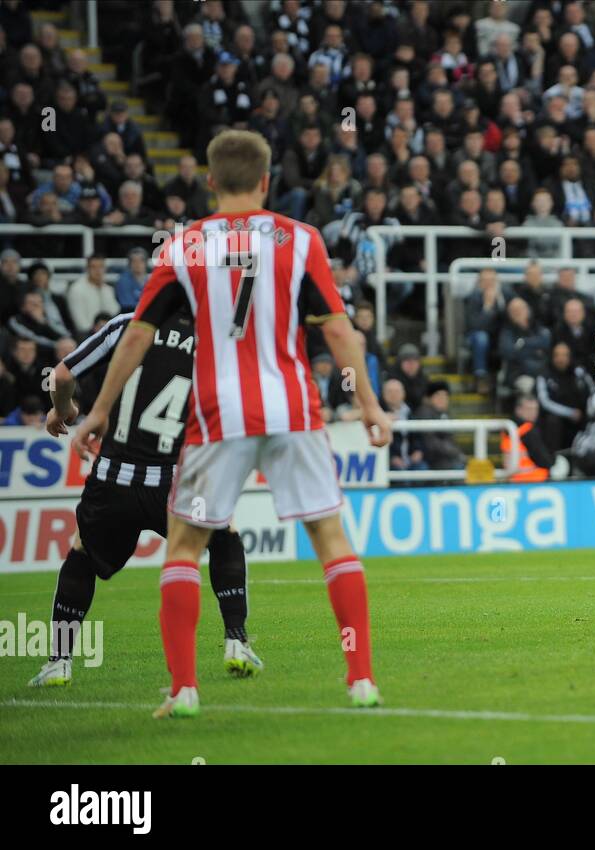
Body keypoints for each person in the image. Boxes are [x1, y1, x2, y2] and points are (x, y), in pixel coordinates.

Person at [72, 130, 392, 718]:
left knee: (185, 545)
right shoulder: (300, 240)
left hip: (217, 414)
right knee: (330, 538)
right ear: (267, 181)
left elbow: (137, 334)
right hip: (292, 409)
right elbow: (340, 330)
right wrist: (370, 405)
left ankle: (184, 688)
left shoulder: (182, 246)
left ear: (211, 181)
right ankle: (361, 678)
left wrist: (98, 409)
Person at [33, 312, 261, 687]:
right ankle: (236, 641)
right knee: (224, 534)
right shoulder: (214, 336)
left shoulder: (126, 325)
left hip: (113, 477)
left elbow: (61, 374)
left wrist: (64, 409)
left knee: (83, 554)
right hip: (176, 480)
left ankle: (58, 661)